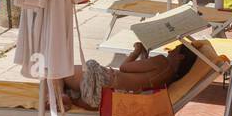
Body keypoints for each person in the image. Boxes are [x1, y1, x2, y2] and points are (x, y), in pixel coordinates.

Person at [59, 43, 199, 109]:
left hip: (103, 80)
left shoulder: (162, 61)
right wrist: (145, 57)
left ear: (180, 57)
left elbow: (125, 68)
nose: (173, 46)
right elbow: (141, 79)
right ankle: (65, 97)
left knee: (58, 71)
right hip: (107, 98)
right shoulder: (169, 78)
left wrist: (136, 51)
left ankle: (58, 96)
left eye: (177, 47)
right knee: (62, 78)